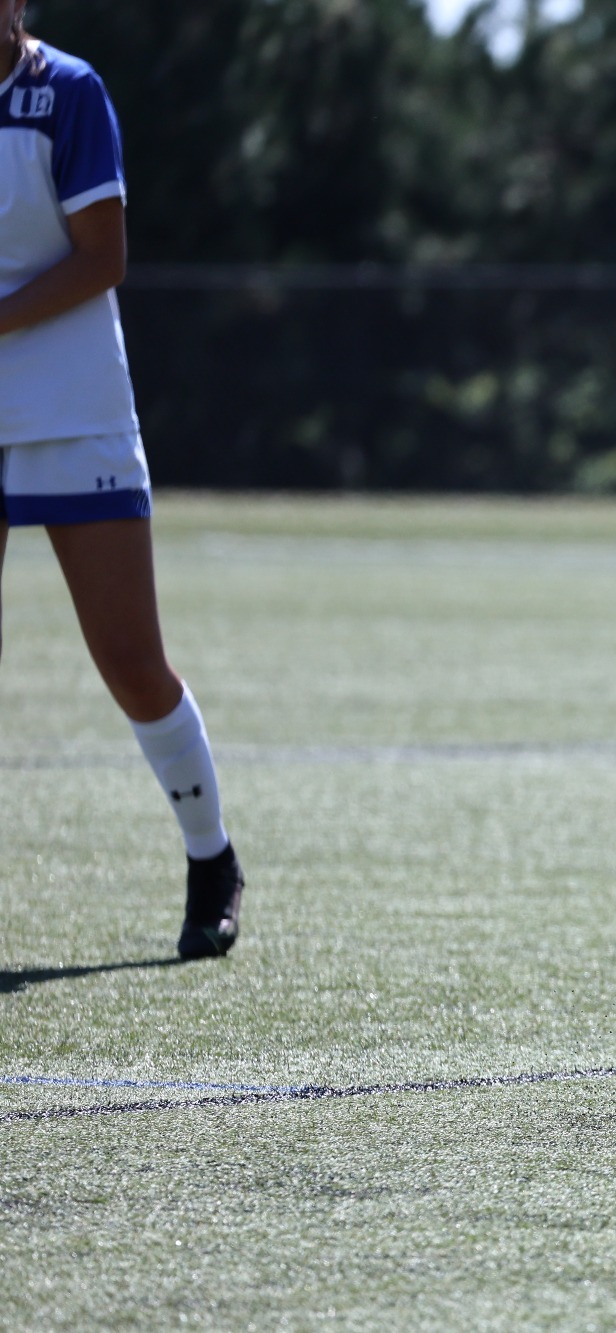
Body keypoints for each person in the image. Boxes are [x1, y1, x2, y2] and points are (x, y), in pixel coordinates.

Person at [0, 8, 246, 959]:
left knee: (132, 664)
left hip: (72, 408)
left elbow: (102, 260)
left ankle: (211, 857)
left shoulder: (67, 91)